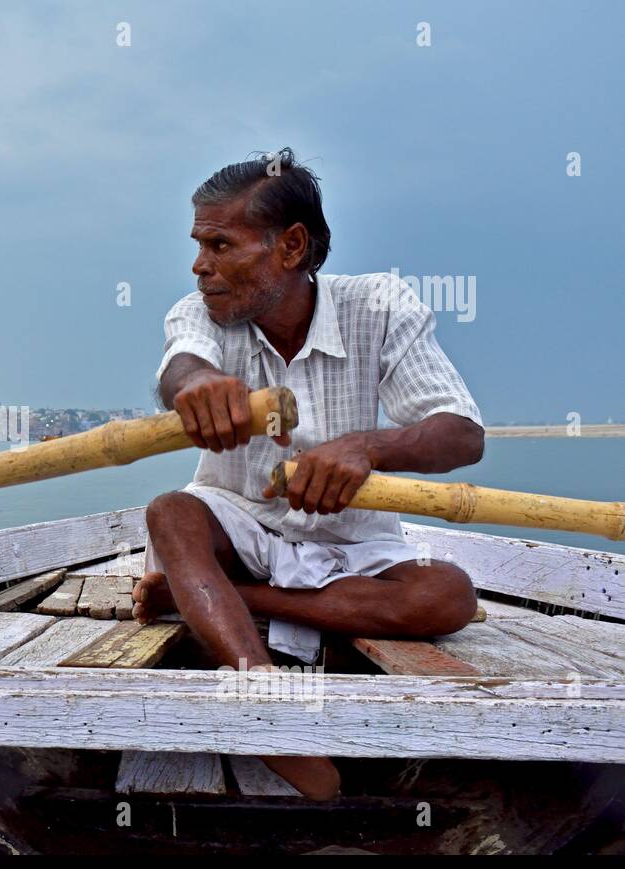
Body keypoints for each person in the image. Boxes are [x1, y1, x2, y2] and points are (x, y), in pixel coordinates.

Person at [135, 149, 484, 801]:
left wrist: (367, 447)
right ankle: (270, 716)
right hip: (239, 532)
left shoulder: (379, 304)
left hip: (349, 546)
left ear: (291, 246)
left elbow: (461, 433)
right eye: (197, 244)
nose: (199, 265)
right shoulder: (202, 311)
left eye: (219, 243)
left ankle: (211, 599)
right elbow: (181, 366)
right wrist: (202, 383)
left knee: (450, 597)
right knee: (171, 513)